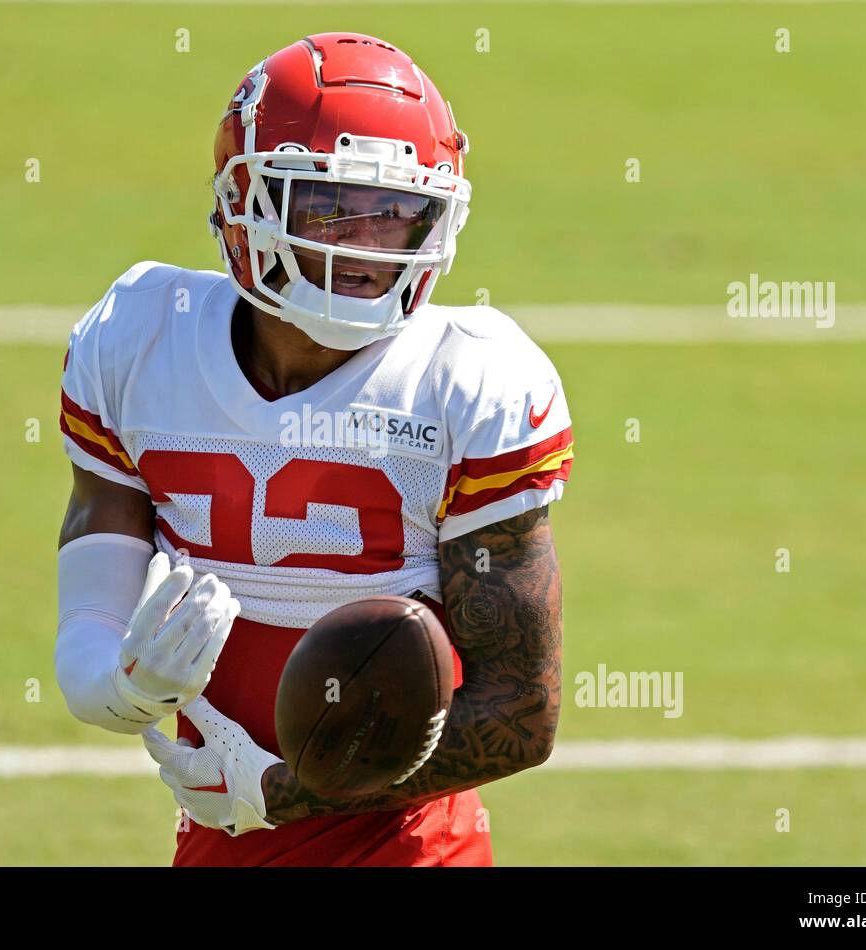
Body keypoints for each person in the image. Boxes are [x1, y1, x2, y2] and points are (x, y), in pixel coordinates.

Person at [54, 32, 574, 866]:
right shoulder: (139, 341)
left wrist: (281, 793)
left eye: (400, 210)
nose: (366, 245)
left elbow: (521, 714)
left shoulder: (468, 381)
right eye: (330, 205)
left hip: (409, 848)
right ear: (248, 198)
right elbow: (96, 562)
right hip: (219, 833)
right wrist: (113, 685)